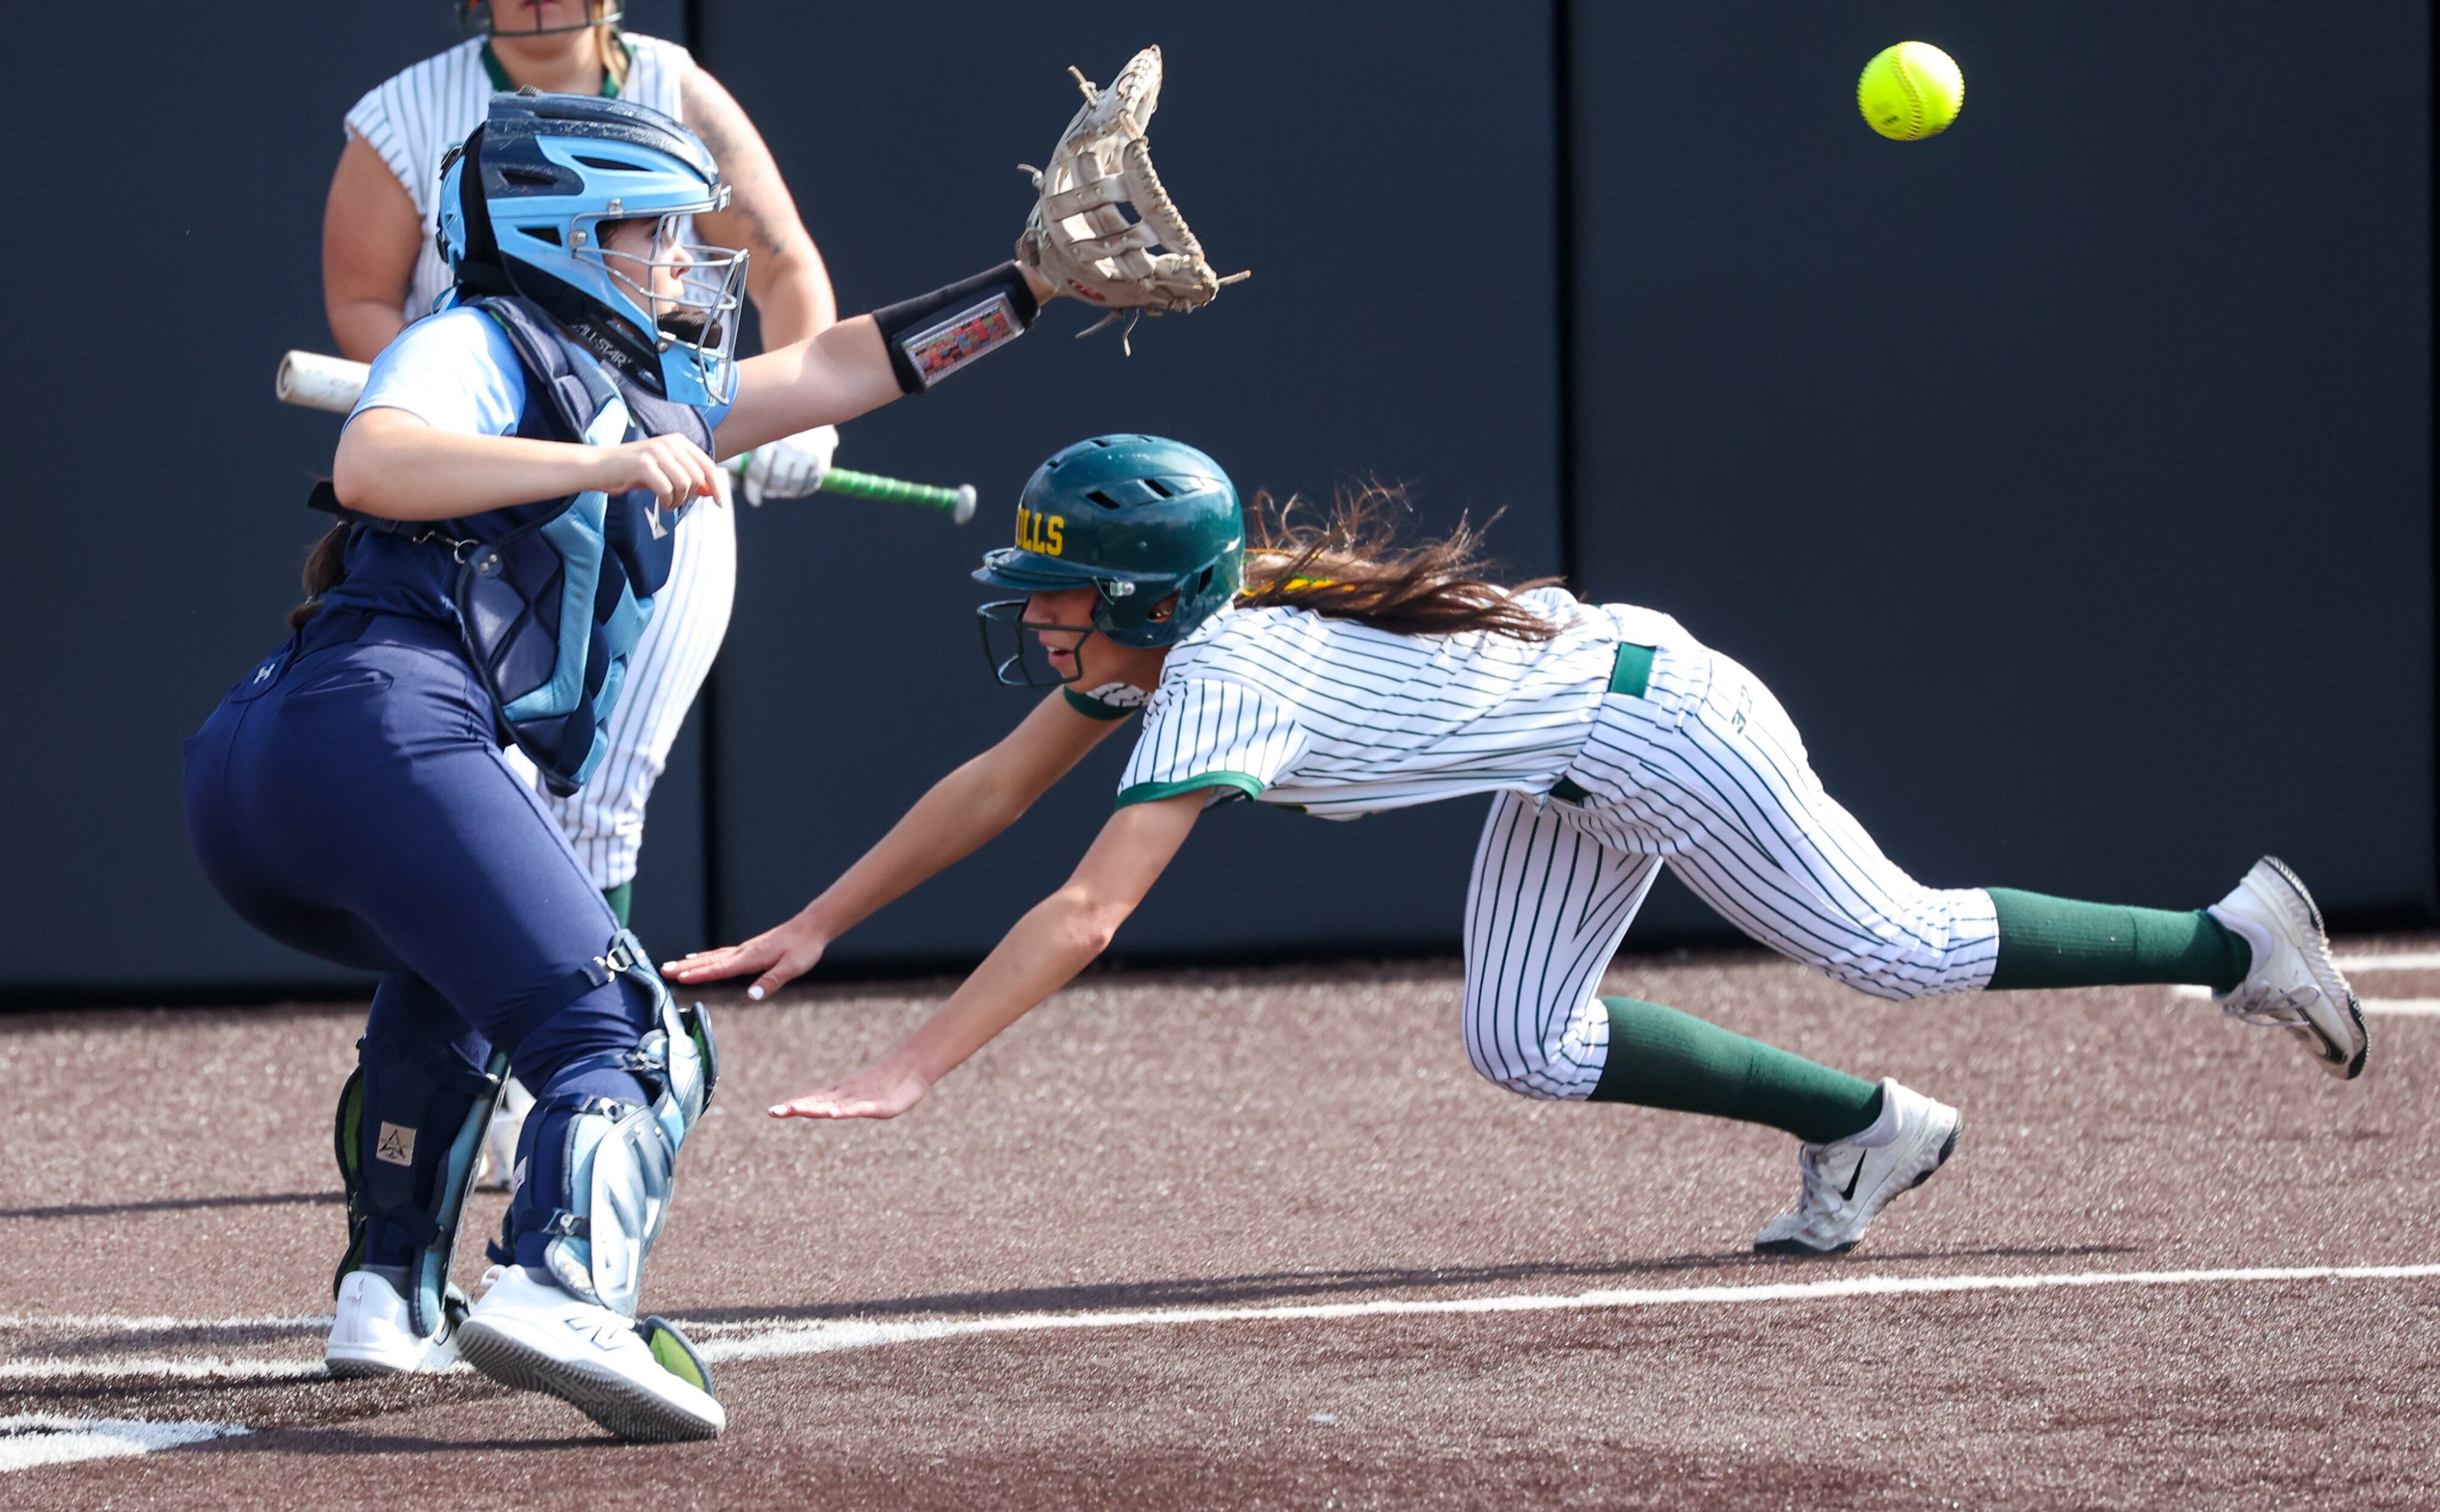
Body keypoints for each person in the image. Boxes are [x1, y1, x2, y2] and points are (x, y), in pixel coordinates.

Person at [666, 435, 2370, 1260]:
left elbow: (1087, 912)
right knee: (1523, 1041)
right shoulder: (1178, 638)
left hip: (1661, 720)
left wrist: (914, 1063)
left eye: (1059, 593)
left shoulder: (1215, 676)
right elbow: (992, 791)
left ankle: (2241, 939)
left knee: (1904, 947)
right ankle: (1866, 1132)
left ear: (1139, 601)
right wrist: (813, 926)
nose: (1035, 616)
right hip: (1568, 759)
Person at [187, 91, 1077, 1440]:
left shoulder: (631, 388)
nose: (682, 258)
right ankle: (562, 1284)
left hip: (300, 764)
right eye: (648, 230)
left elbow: (838, 368)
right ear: (556, 229)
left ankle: (387, 1291)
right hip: (372, 730)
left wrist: (1028, 289)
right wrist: (596, 462)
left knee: (464, 984)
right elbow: (373, 459)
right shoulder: (478, 335)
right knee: (628, 1033)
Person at [324, 0, 841, 1189]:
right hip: (493, 499)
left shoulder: (676, 88)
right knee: (478, 802)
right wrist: (434, 388)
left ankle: (554, 1066)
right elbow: (361, 297)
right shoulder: (407, 114)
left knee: (602, 804)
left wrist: (790, 390)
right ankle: (450, 1086)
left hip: (657, 480)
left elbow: (779, 262)